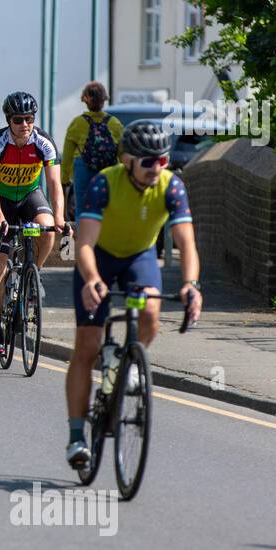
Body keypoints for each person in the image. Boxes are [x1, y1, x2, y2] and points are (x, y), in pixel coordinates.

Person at [64, 120, 202, 469]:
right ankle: (78, 435)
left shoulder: (172, 187)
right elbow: (84, 245)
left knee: (151, 316)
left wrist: (190, 285)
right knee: (88, 345)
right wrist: (93, 280)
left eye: (162, 160)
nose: (156, 168)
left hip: (139, 256)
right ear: (127, 160)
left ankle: (128, 366)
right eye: (147, 162)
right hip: (99, 258)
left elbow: (186, 243)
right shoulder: (103, 184)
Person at [0, 91, 66, 356]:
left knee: (48, 227)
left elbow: (54, 184)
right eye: (18, 120)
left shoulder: (44, 142)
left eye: (29, 118)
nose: (24, 125)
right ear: (9, 120)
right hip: (3, 201)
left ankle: (34, 274)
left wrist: (61, 218)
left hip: (31, 195)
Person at [62, 81, 124, 221]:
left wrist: (65, 179)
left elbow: (67, 156)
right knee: (108, 208)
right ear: (104, 100)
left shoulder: (77, 123)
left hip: (83, 168)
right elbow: (123, 154)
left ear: (85, 100)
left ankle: (85, 241)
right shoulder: (115, 123)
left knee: (82, 210)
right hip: (109, 170)